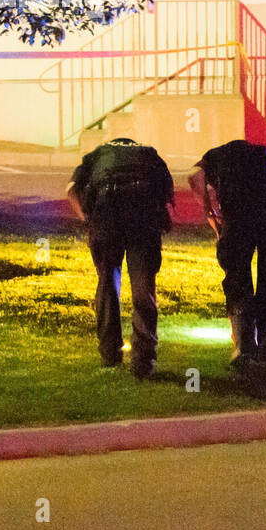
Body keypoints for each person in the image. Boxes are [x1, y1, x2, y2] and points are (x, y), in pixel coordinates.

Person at [66, 137, 175, 379]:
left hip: (106, 214)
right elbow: (167, 194)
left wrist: (86, 218)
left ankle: (110, 353)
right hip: (143, 217)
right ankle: (143, 361)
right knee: (143, 287)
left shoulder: (97, 154)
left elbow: (71, 189)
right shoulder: (150, 152)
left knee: (107, 283)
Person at [187, 139, 266, 368]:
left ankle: (244, 347)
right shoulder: (265, 153)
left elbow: (194, 179)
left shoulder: (213, 158)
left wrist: (208, 209)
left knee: (238, 275)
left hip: (240, 207)